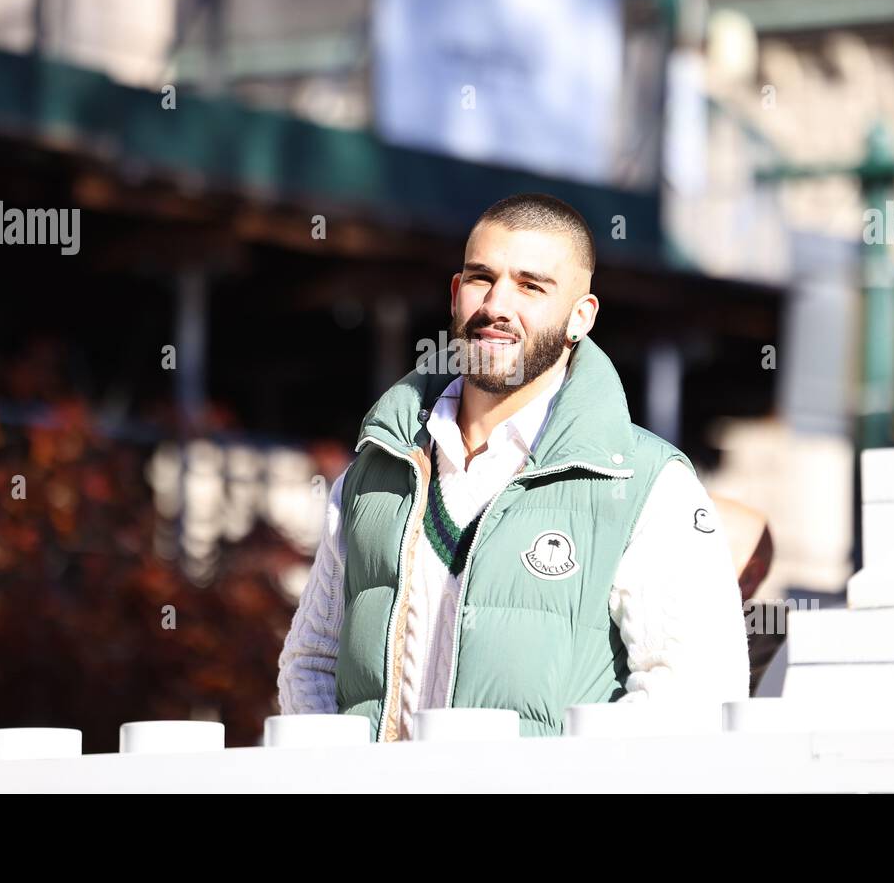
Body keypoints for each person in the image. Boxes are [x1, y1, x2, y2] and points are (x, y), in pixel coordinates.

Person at [278, 193, 750, 740]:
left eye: (531, 285)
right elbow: (312, 663)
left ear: (581, 317)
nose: (497, 305)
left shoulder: (646, 485)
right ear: (456, 294)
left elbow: (694, 692)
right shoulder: (374, 471)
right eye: (482, 277)